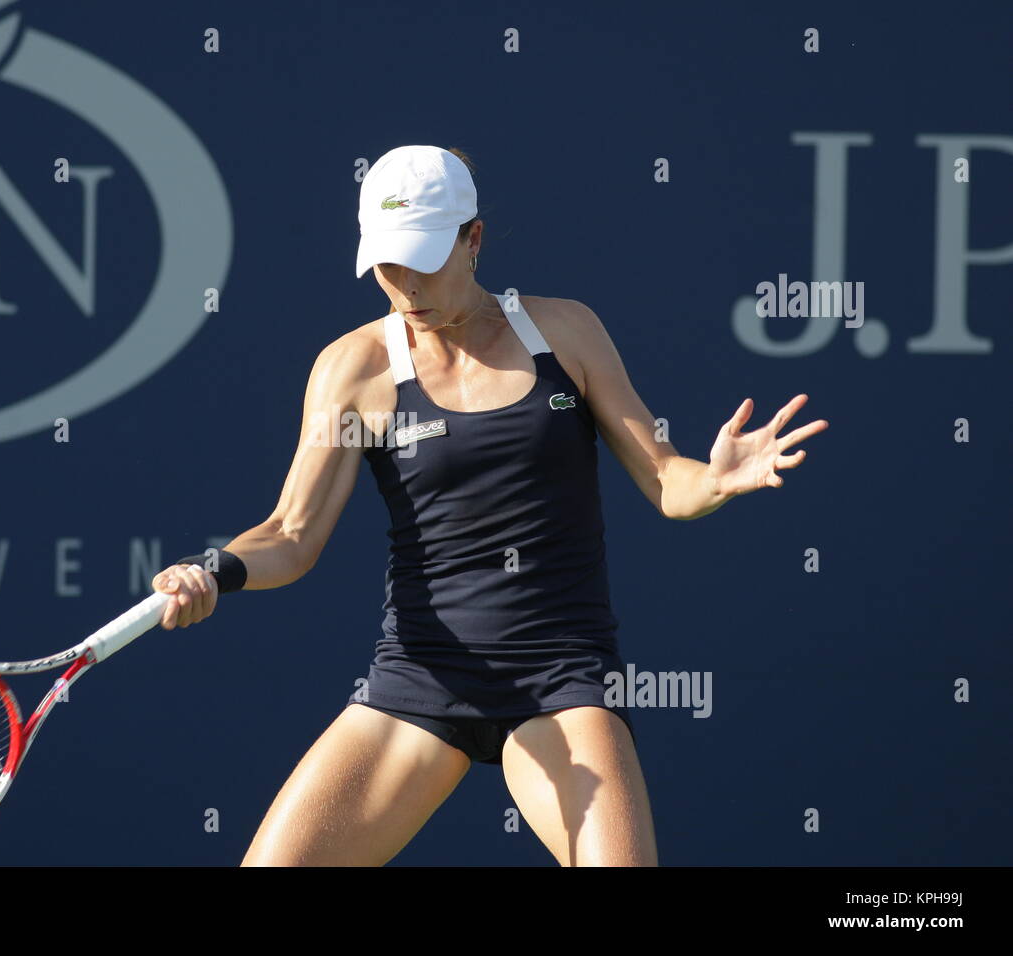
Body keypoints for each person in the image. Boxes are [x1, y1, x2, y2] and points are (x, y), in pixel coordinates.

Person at [153, 145, 828, 866]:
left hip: (560, 680)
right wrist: (214, 570)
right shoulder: (354, 369)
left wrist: (716, 480)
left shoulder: (565, 333)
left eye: (423, 258)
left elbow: (667, 480)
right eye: (386, 266)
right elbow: (291, 533)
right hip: (418, 681)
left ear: (474, 239)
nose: (404, 285)